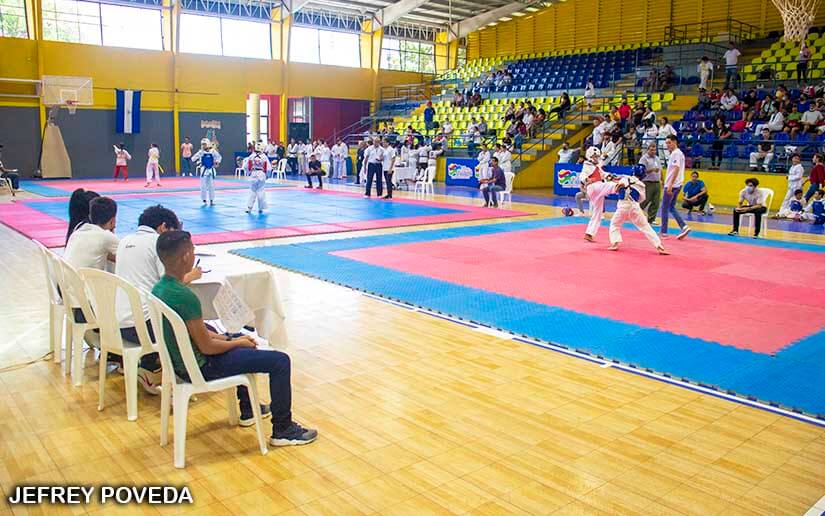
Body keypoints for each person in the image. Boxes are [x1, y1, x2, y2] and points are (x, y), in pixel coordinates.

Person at [151, 230, 318, 445]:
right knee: (280, 361)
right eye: (192, 250)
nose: (193, 254)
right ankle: (283, 429)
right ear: (185, 256)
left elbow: (199, 332)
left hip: (182, 363)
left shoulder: (160, 288)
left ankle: (249, 410)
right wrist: (236, 342)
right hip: (201, 367)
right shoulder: (185, 296)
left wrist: (230, 339)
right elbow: (207, 346)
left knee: (237, 337)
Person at [115, 205, 203, 394]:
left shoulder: (124, 240)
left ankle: (150, 366)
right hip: (145, 326)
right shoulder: (157, 244)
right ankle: (180, 375)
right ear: (163, 227)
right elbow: (172, 282)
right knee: (195, 329)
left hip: (119, 322)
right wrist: (193, 274)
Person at [608, 169, 668, 255]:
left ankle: (615, 243)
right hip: (634, 207)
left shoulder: (624, 178)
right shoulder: (641, 185)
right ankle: (659, 246)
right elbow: (642, 199)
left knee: (614, 224)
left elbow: (616, 190)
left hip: (622, 206)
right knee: (646, 227)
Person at [64, 197, 119, 271]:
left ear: (90, 216)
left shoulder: (77, 232)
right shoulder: (106, 237)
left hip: (65, 279)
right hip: (84, 281)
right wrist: (112, 230)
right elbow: (125, 256)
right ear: (112, 220)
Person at [661, 135, 691, 239]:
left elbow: (676, 169)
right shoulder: (678, 154)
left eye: (669, 142)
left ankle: (663, 232)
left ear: (675, 142)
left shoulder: (676, 154)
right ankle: (684, 226)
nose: (667, 145)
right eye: (666, 143)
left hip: (672, 185)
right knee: (671, 207)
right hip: (677, 184)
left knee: (664, 208)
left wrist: (669, 185)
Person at [582, 146, 615, 242]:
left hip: (598, 190)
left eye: (597, 157)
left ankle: (589, 233)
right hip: (593, 187)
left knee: (598, 213)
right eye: (595, 157)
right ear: (589, 156)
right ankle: (618, 187)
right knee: (606, 185)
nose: (597, 158)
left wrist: (609, 175)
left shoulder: (597, 166)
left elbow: (602, 173)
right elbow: (582, 175)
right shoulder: (586, 165)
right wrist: (586, 179)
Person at [191, 138, 222, 206]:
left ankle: (211, 200)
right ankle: (204, 200)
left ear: (208, 144)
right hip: (204, 170)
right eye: (202, 144)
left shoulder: (213, 151)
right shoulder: (201, 152)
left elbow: (219, 157)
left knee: (211, 186)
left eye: (204, 144)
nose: (203, 146)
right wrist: (198, 161)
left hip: (211, 170)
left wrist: (217, 162)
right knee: (203, 186)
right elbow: (193, 158)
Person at [637, 144, 661, 225]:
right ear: (648, 150)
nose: (653, 152)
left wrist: (662, 180)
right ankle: (636, 213)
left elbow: (660, 170)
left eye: (654, 150)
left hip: (657, 182)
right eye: (651, 150)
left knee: (656, 202)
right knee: (645, 200)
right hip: (648, 182)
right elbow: (641, 171)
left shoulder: (657, 158)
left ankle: (651, 219)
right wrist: (652, 170)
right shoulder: (644, 159)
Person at [245, 142, 269, 214]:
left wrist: (249, 173)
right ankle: (261, 208)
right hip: (261, 174)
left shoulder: (251, 156)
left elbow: (247, 166)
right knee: (261, 191)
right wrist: (267, 175)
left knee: (252, 191)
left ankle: (249, 207)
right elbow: (267, 168)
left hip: (253, 174)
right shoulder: (264, 157)